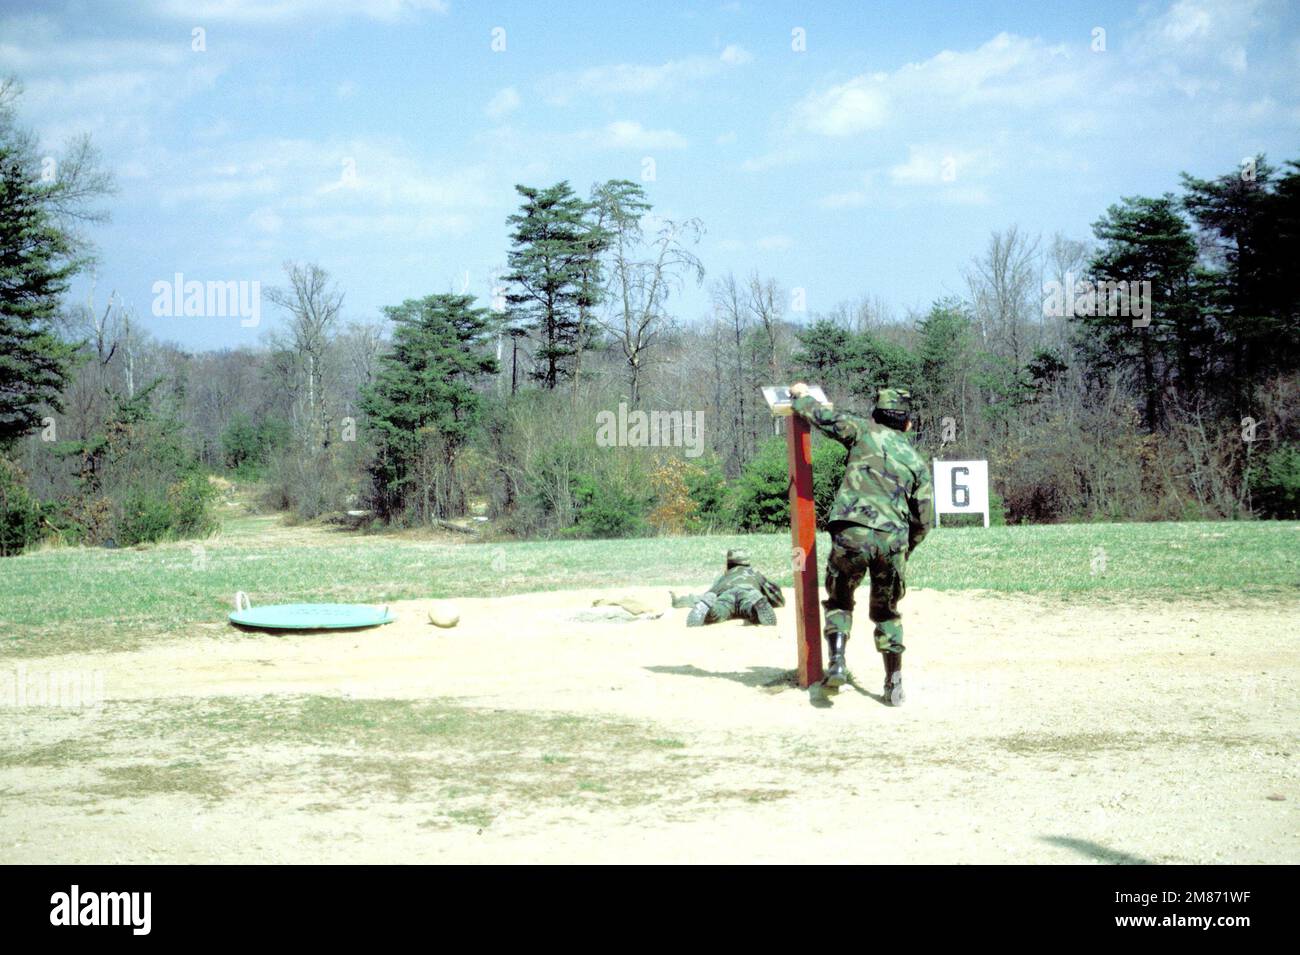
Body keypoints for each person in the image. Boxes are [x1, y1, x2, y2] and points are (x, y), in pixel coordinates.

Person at [789, 383, 933, 704]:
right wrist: (904, 548)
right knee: (887, 613)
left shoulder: (860, 432)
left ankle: (837, 661)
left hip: (851, 532)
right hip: (891, 539)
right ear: (907, 423)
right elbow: (923, 520)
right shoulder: (916, 462)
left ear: (875, 415)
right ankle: (893, 682)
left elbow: (823, 417)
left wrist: (801, 396)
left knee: (840, 600)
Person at [671, 549, 784, 627]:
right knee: (751, 610)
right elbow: (775, 595)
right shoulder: (754, 573)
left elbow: (710, 594)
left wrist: (678, 602)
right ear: (747, 562)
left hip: (727, 595)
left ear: (728, 564)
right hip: (748, 593)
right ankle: (758, 606)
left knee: (718, 612)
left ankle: (710, 611)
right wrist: (774, 601)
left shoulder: (725, 576)